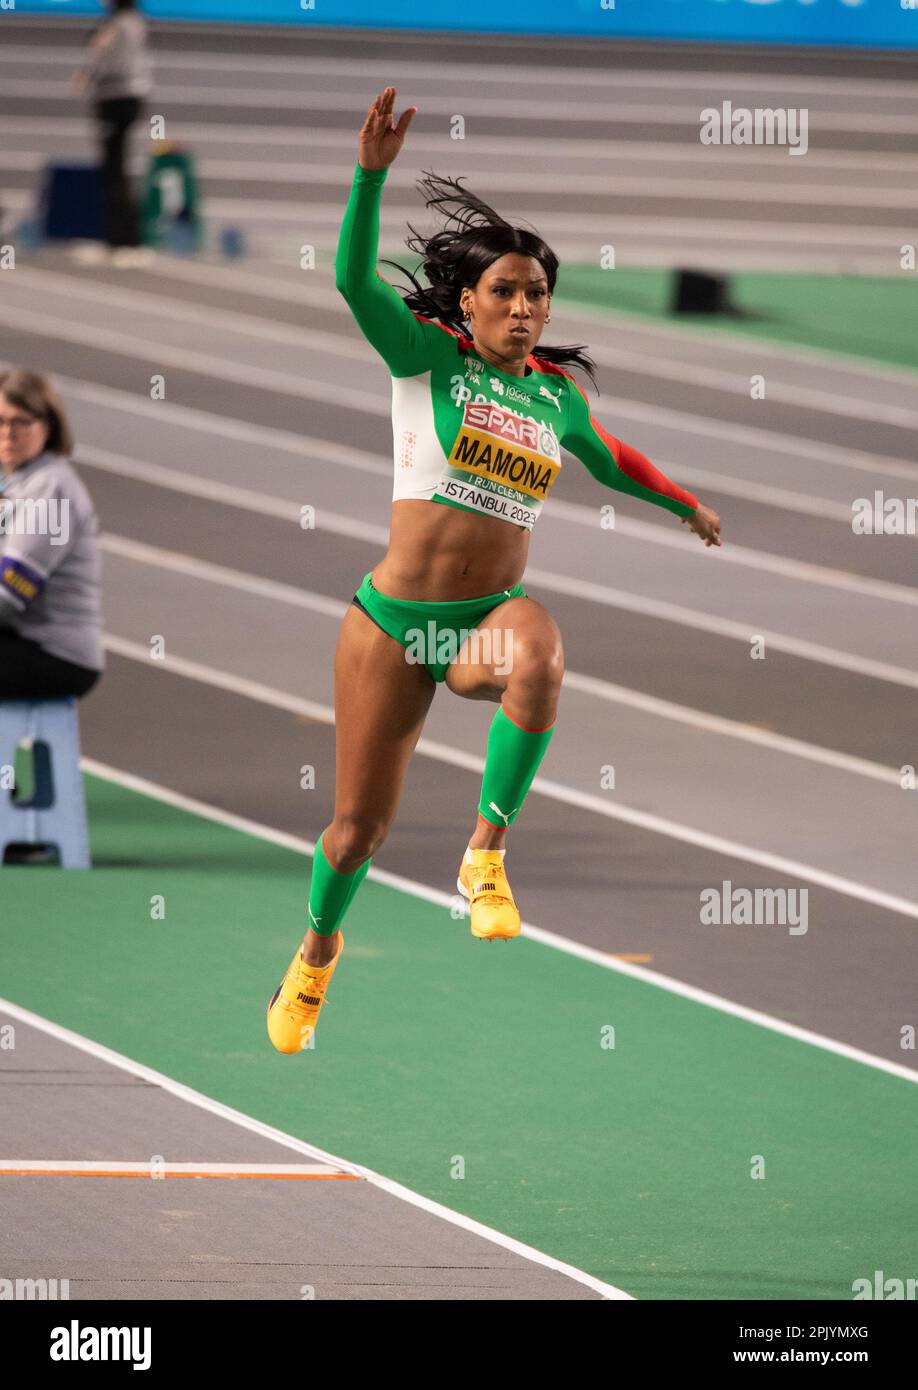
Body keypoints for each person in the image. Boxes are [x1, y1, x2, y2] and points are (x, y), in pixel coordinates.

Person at [267, 88, 722, 1054]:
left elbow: (610, 459)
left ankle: (486, 854)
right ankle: (314, 957)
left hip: (481, 621)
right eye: (506, 292)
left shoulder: (554, 400)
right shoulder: (424, 359)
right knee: (355, 834)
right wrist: (369, 176)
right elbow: (354, 282)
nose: (524, 308)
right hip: (392, 625)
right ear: (468, 301)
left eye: (538, 295)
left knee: (543, 655)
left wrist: (682, 502)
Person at [0, 369, 104, 701]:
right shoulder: (18, 483)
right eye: (0, 421)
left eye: (21, 422)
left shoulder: (52, 489)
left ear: (48, 426)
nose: (8, 433)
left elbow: (10, 592)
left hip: (56, 654)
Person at [72, 0, 153, 268]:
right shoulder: (128, 22)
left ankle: (128, 243)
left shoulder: (122, 24)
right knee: (113, 172)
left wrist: (87, 75)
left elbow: (111, 61)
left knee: (116, 173)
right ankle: (117, 241)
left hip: (118, 100)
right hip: (120, 98)